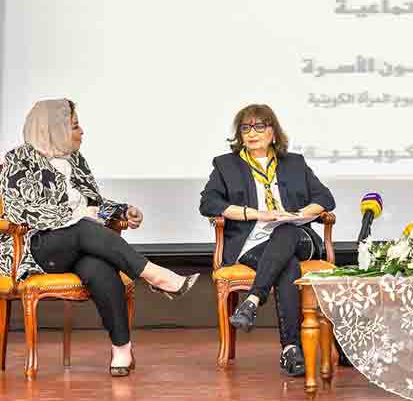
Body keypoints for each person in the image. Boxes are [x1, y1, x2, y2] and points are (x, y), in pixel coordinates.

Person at [0, 99, 199, 377]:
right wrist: (79, 215)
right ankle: (155, 275)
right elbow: (21, 211)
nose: (81, 131)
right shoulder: (18, 160)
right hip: (37, 249)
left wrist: (121, 210)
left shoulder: (75, 160)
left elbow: (92, 204)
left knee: (99, 268)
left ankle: (122, 349)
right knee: (82, 227)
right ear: (53, 128)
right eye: (74, 126)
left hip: (78, 244)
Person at [199, 104, 335, 377]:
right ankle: (291, 350)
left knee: (285, 231)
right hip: (252, 243)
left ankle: (252, 299)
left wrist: (296, 215)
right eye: (245, 128)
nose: (252, 133)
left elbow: (325, 198)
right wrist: (256, 214)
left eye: (259, 126)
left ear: (273, 132)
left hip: (298, 237)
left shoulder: (294, 163)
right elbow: (208, 203)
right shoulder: (226, 165)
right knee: (287, 267)